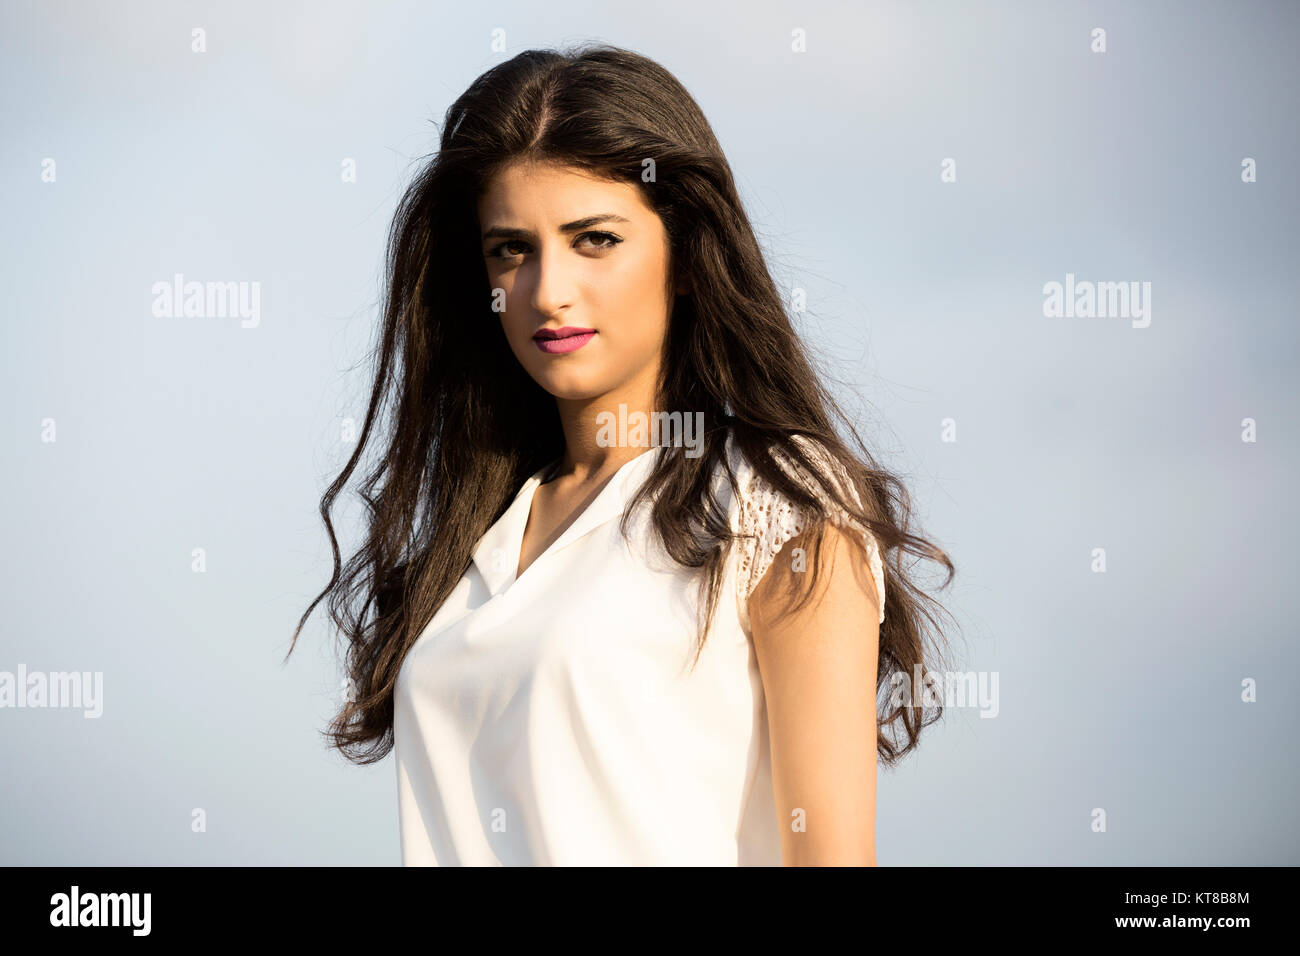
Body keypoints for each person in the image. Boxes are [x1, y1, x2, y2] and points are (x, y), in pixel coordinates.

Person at [289, 43, 954, 866]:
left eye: (594, 239)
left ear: (685, 257)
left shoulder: (772, 498)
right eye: (511, 249)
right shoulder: (482, 538)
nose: (548, 290)